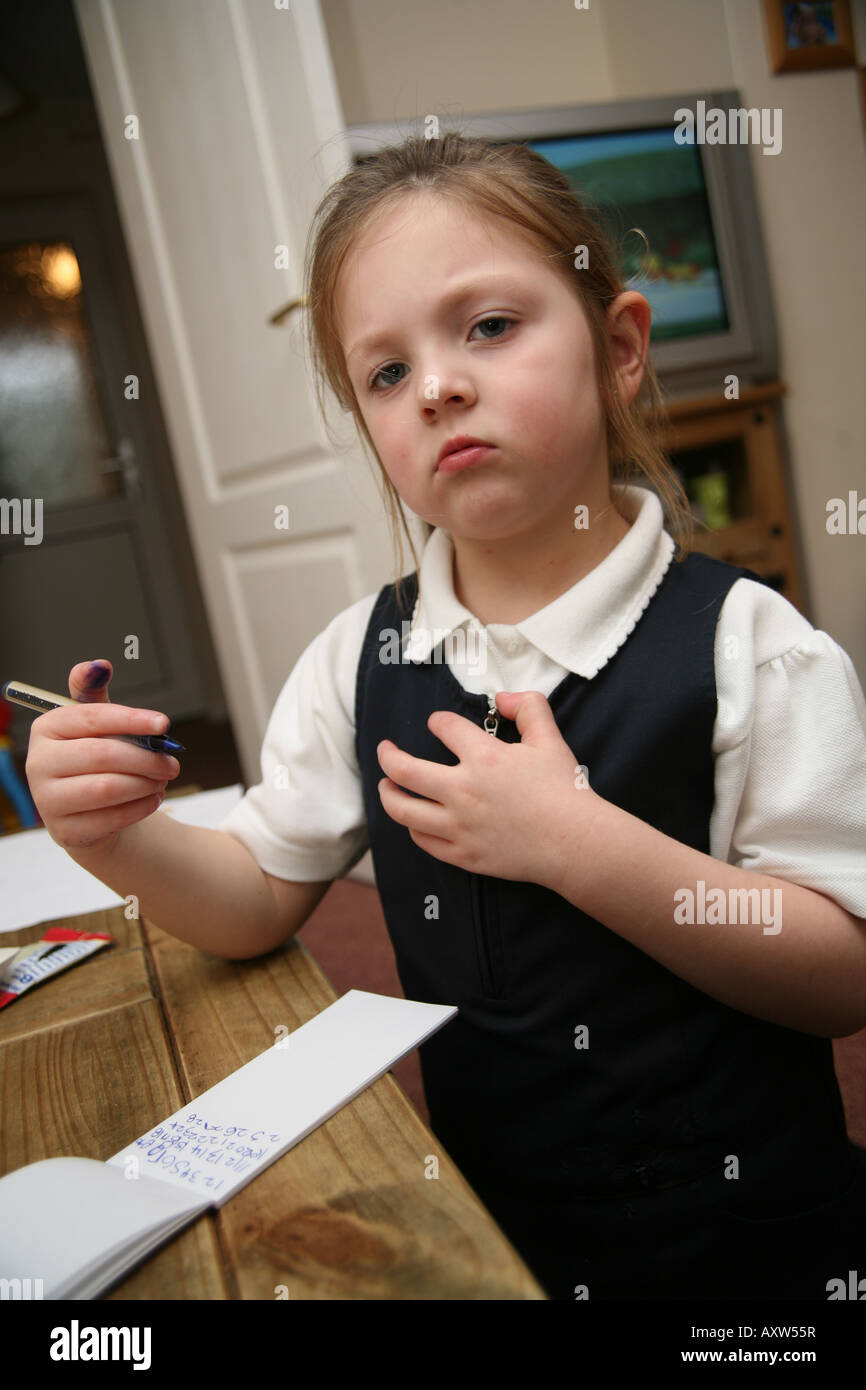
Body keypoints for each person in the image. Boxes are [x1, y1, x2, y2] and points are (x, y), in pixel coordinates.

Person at [24, 133, 866, 1301]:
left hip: (744, 1248)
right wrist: (115, 835)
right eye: (383, 372)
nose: (436, 386)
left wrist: (573, 841)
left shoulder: (752, 650)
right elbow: (255, 898)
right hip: (489, 1227)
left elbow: (841, 974)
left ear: (619, 348)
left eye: (487, 327)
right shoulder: (355, 661)